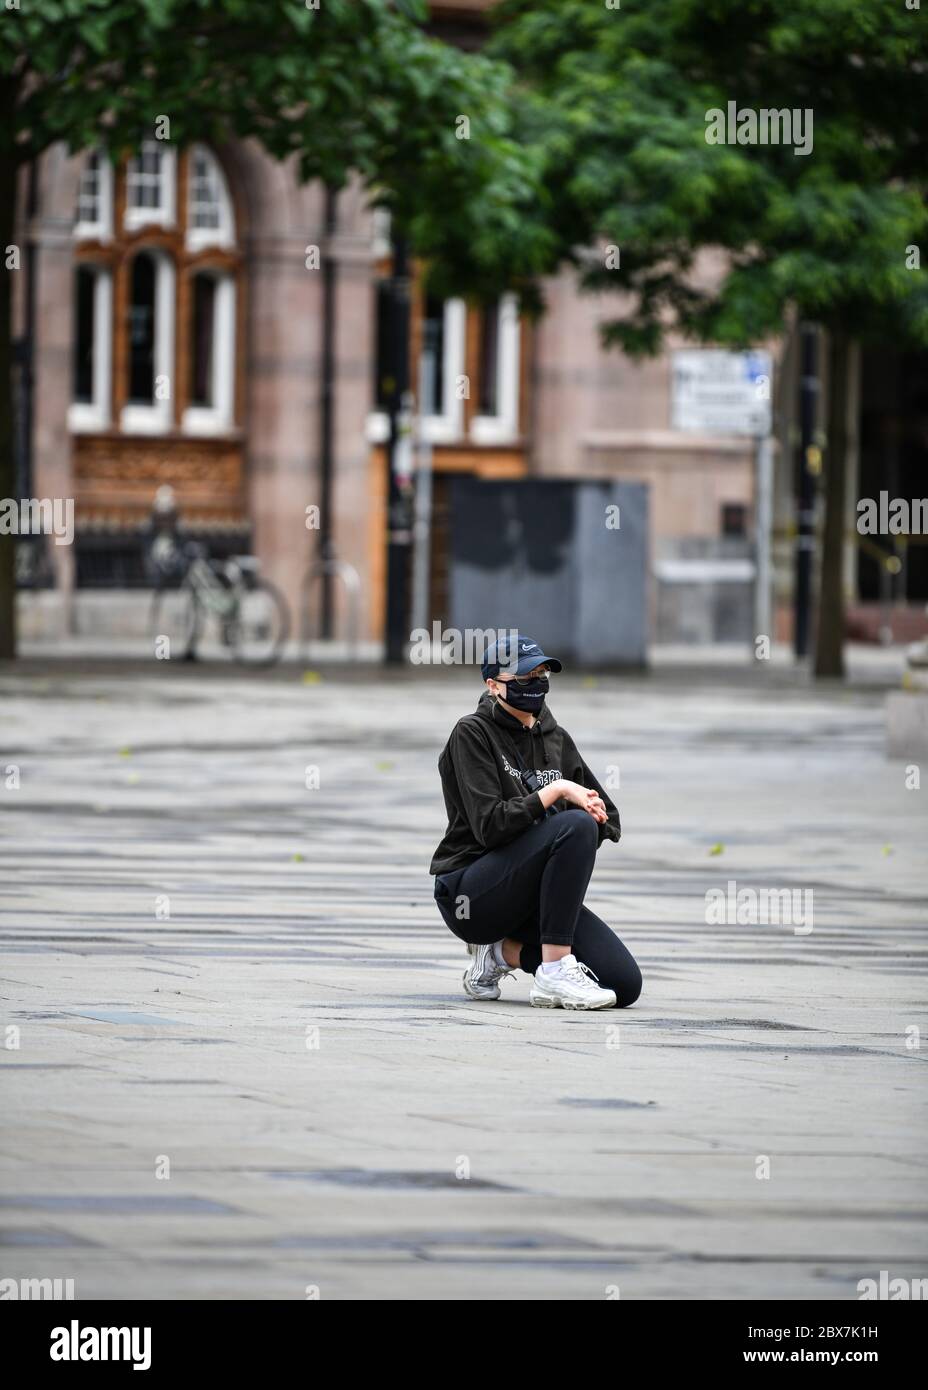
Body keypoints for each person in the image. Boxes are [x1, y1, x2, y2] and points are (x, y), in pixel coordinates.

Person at [430, 633, 642, 1010]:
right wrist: (555, 792)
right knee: (573, 824)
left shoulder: (555, 737)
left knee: (624, 985)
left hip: (529, 895)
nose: (536, 685)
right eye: (524, 679)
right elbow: (490, 826)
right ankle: (555, 971)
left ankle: (500, 955)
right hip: (472, 893)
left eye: (542, 675)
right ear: (492, 685)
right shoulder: (471, 734)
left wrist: (592, 816)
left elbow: (607, 817)